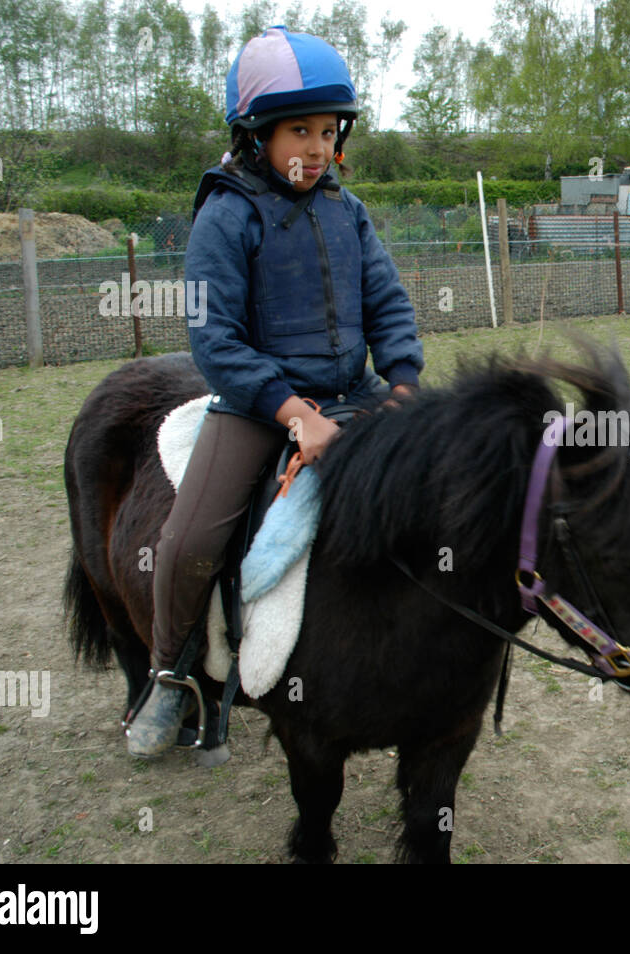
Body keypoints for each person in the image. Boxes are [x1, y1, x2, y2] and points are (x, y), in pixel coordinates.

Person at [128, 26, 424, 757]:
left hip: (352, 395)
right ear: (256, 134)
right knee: (189, 540)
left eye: (328, 131)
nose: (318, 148)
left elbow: (386, 303)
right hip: (257, 409)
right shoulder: (224, 217)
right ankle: (170, 677)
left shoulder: (347, 211)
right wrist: (292, 413)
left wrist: (405, 382)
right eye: (301, 131)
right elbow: (215, 342)